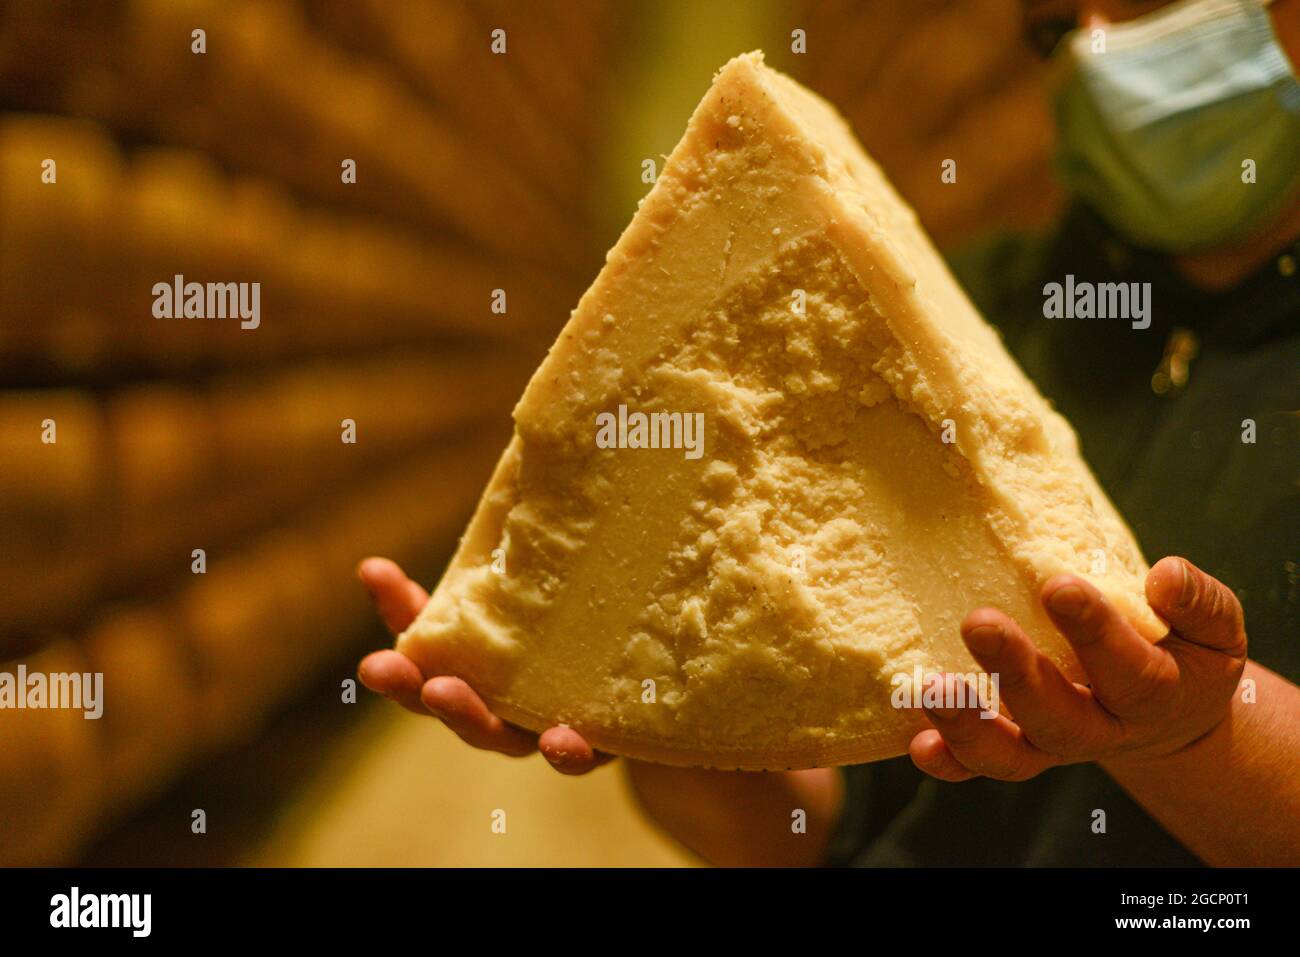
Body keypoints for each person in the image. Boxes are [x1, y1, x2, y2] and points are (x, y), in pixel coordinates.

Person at [357, 0, 1300, 867]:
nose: (1098, 47)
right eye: (1056, 28)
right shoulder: (975, 308)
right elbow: (826, 832)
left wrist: (1196, 740)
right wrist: (644, 702)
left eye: (1149, 5)